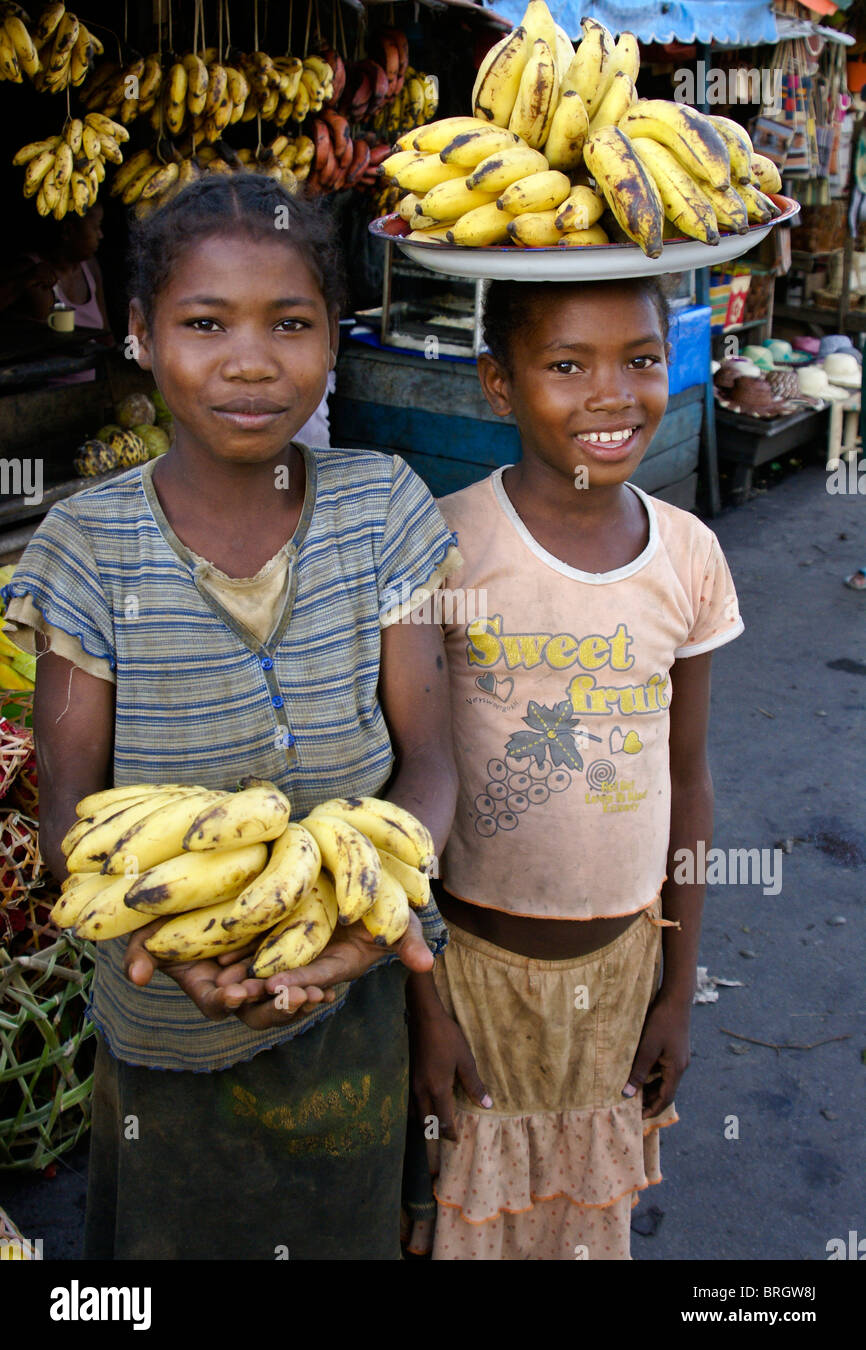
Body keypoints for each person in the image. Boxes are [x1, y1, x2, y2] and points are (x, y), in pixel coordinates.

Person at [1, 174, 483, 1260]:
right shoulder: (85, 548)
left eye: (290, 323)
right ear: (138, 337)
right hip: (163, 1025)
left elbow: (433, 766)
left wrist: (370, 931)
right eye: (204, 323)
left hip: (356, 997)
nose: (251, 360)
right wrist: (171, 945)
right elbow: (74, 806)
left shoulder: (381, 509)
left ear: (332, 340)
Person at [411, 277, 744, 1261]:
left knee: (577, 1231)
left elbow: (686, 779)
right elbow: (401, 781)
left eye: (639, 359)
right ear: (496, 384)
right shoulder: (446, 545)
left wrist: (677, 993)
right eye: (566, 364)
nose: (611, 394)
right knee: (462, 1220)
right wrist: (422, 1010)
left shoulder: (686, 557)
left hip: (622, 980)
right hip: (470, 979)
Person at [19, 202, 113, 382]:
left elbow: (105, 334)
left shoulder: (90, 267)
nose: (101, 235)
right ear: (68, 231)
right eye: (95, 227)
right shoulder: (35, 275)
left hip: (96, 388)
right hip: (51, 393)